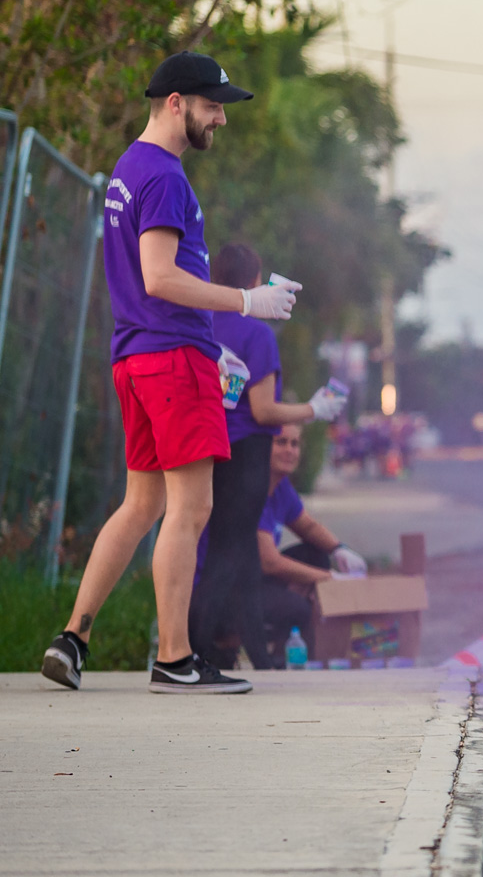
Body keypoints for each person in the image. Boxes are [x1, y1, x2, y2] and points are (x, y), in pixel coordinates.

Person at [41, 52, 299, 694]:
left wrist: (232, 318)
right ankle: (176, 657)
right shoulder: (165, 177)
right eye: (213, 106)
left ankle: (72, 638)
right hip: (171, 357)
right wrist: (246, 302)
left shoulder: (128, 170)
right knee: (193, 505)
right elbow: (160, 277)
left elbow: (150, 276)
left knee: (143, 502)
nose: (220, 119)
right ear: (177, 103)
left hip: (136, 355)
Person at [190, 243, 346, 669]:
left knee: (235, 556)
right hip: (246, 454)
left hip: (209, 447)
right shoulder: (257, 333)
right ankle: (197, 646)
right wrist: (314, 409)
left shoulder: (200, 322)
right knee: (230, 555)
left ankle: (254, 656)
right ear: (256, 283)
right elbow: (263, 411)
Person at [256, 423, 367, 664]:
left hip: (259, 576)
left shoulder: (280, 486)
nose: (290, 450)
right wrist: (327, 577)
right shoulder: (255, 489)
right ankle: (284, 656)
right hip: (236, 587)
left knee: (316, 552)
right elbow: (269, 562)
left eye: (295, 444)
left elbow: (307, 526)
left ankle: (305, 649)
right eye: (281, 442)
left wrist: (339, 550)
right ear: (263, 446)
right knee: (298, 608)